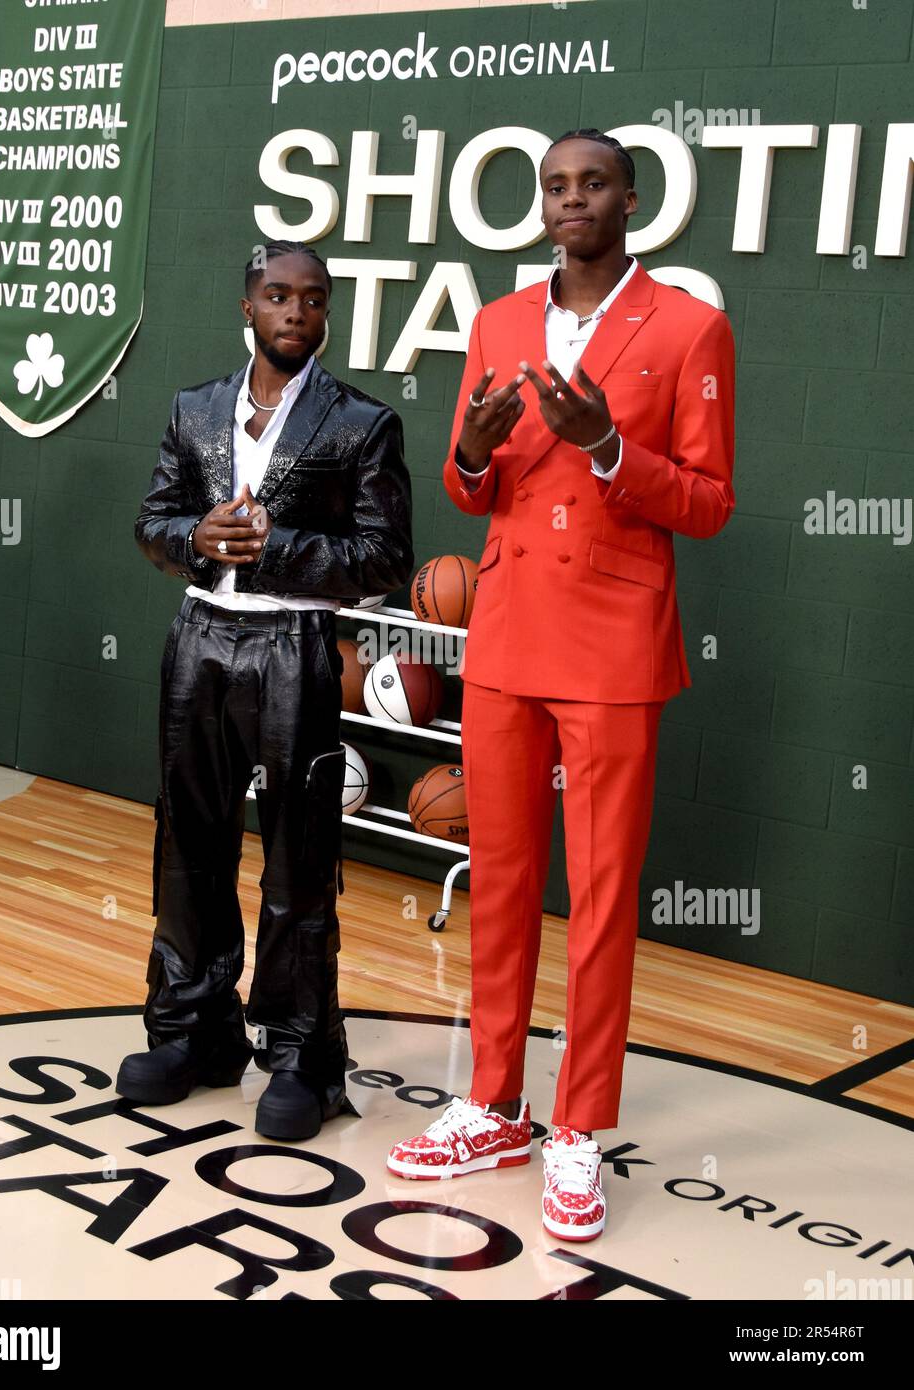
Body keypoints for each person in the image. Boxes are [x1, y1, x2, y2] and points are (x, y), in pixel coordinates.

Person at [386, 129, 736, 1240]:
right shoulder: (495, 324)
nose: (571, 199)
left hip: (615, 650)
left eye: (592, 184)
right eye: (554, 185)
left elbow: (712, 502)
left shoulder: (691, 327)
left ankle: (578, 1129)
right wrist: (478, 454)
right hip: (506, 637)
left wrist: (607, 451)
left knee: (597, 901)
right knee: (497, 879)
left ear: (632, 202)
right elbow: (467, 488)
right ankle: (493, 1102)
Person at [118, 239, 413, 1141]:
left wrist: (275, 548)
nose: (295, 312)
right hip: (200, 634)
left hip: (295, 644)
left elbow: (386, 560)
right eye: (278, 296)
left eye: (312, 299)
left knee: (297, 857)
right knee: (188, 842)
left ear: (326, 314)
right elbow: (151, 523)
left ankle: (301, 1057)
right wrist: (196, 538)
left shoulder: (363, 422)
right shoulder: (194, 407)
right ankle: (193, 1032)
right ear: (247, 307)